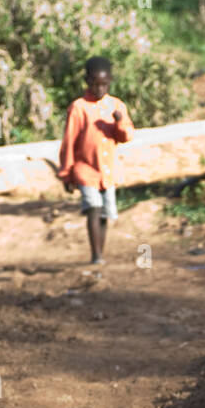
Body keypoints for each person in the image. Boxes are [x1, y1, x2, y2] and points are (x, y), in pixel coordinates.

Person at [57, 56, 135, 265]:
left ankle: (100, 251)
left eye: (103, 84)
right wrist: (66, 173)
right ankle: (96, 256)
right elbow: (69, 142)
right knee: (93, 207)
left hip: (107, 171)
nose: (99, 89)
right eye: (94, 84)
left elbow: (126, 136)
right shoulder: (79, 107)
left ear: (110, 81)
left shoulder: (116, 105)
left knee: (104, 213)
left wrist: (119, 122)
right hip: (85, 169)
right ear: (87, 82)